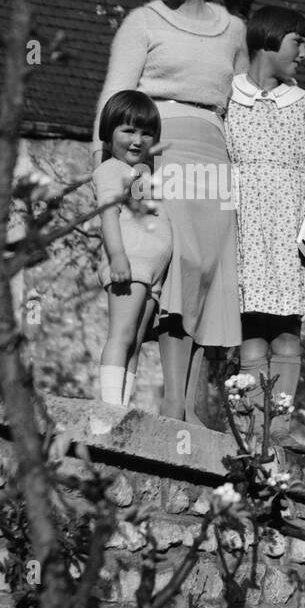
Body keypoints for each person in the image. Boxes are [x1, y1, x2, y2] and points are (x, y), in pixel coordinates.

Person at [92, 0, 248, 419]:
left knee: (210, 277)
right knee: (174, 276)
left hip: (218, 161)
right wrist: (111, 182)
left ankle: (190, 405)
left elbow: (243, 106)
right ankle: (166, 406)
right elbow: (113, 101)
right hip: (160, 155)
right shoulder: (143, 22)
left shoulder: (234, 29)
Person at [225, 4, 305, 446]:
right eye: (298, 41)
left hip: (291, 231)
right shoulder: (227, 97)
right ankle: (252, 430)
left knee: (288, 334)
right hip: (246, 230)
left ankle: (280, 429)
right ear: (269, 40)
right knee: (252, 335)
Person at [93, 90, 173, 406]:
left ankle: (123, 406)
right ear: (108, 133)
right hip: (130, 264)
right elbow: (108, 215)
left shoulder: (143, 174)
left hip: (153, 273)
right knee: (122, 335)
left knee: (136, 342)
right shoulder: (111, 169)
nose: (137, 139)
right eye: (128, 130)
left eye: (145, 132)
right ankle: (111, 407)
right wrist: (117, 256)